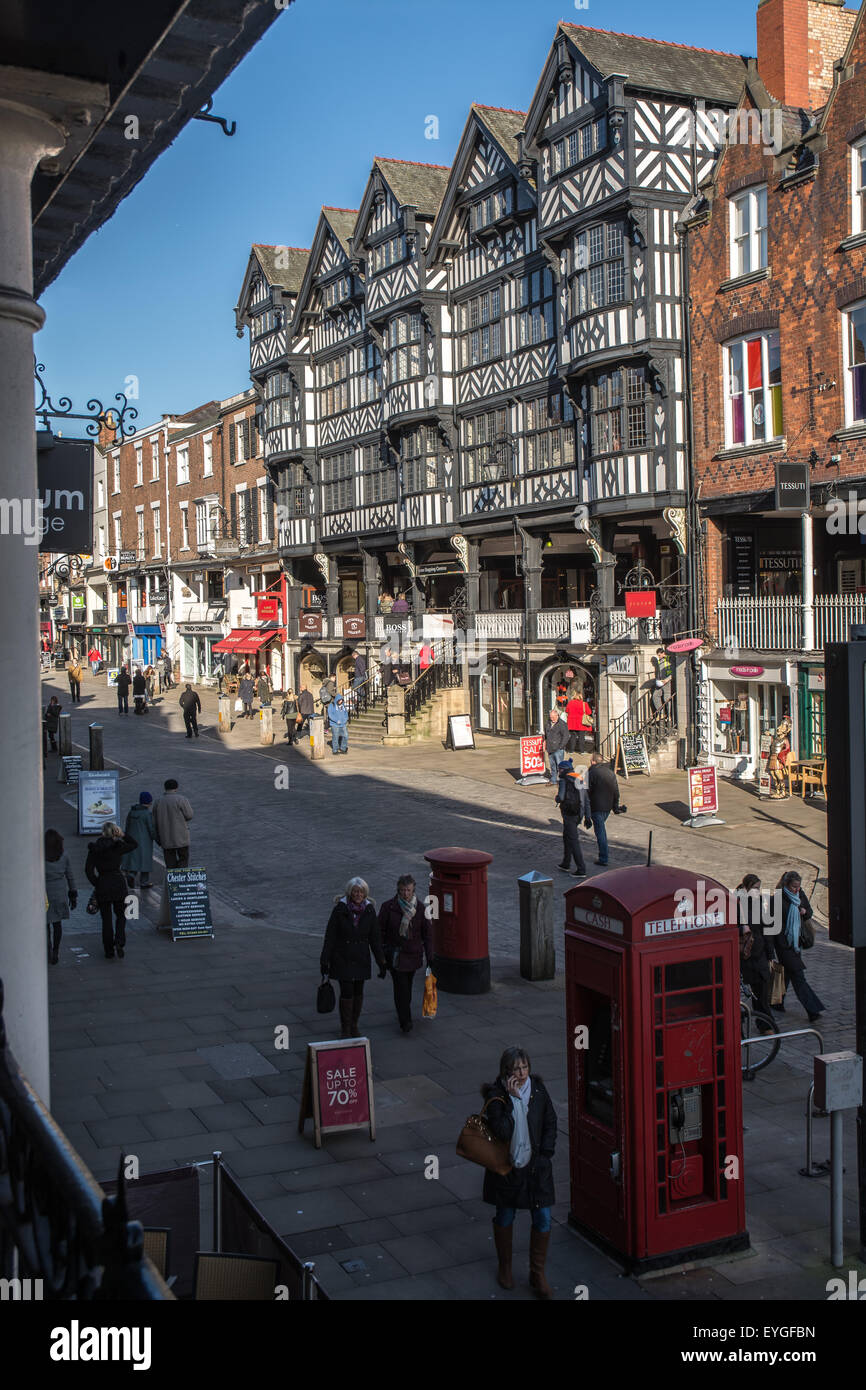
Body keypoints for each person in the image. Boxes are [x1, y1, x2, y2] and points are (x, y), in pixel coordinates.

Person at [482, 1047, 557, 1298]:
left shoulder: (537, 1090)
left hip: (536, 1168)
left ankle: (538, 1274)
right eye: (517, 1068)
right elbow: (502, 1131)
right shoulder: (497, 1097)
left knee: (543, 1218)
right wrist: (514, 1101)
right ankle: (505, 1268)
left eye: (525, 1067)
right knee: (505, 1216)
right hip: (508, 1169)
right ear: (507, 1072)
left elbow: (550, 1121)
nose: (523, 1073)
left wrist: (546, 1153)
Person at [320, 877, 386, 1038]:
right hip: (342, 957)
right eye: (355, 891)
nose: (358, 894)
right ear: (349, 893)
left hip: (361, 958)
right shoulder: (340, 910)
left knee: (358, 991)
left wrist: (381, 962)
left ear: (365, 894)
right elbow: (330, 936)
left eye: (361, 892)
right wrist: (324, 960)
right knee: (347, 991)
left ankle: (354, 1024)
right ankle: (345, 1028)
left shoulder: (370, 911)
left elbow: (375, 939)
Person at [377, 874, 434, 1033]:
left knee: (407, 987)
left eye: (408, 890)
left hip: (413, 955)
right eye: (402, 890)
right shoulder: (388, 907)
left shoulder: (421, 908)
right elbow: (379, 930)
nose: (405, 894)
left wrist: (430, 957)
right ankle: (405, 1020)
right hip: (396, 955)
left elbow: (428, 935)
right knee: (401, 987)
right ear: (398, 890)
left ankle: (404, 1009)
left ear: (413, 890)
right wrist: (381, 952)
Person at [770, 870, 826, 1023]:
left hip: (796, 943)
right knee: (798, 976)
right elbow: (771, 926)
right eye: (794, 887)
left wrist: (804, 911)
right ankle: (813, 1010)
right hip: (784, 945)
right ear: (786, 885)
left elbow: (809, 913)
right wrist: (771, 950)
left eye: (799, 887)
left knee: (788, 973)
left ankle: (776, 1002)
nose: (797, 889)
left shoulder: (799, 896)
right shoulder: (777, 900)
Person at [85, 821, 137, 959]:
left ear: (102, 832)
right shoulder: (117, 846)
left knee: (106, 919)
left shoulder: (94, 849)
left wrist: (97, 882)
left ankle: (109, 950)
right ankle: (119, 940)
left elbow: (88, 870)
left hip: (103, 883)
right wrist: (123, 835)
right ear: (114, 832)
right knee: (121, 914)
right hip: (118, 883)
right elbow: (134, 844)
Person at [736, 873, 773, 1025]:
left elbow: (766, 929)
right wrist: (741, 928)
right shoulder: (736, 903)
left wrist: (770, 954)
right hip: (744, 956)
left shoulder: (759, 902)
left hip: (760, 954)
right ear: (745, 888)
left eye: (759, 888)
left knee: (762, 992)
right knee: (741, 994)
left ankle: (765, 1024)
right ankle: (739, 1024)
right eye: (755, 888)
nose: (757, 891)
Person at [45, 828, 77, 964]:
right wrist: (73, 893)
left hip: (44, 892)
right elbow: (70, 876)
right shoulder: (64, 856)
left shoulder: (40, 857)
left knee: (45, 924)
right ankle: (56, 950)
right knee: (57, 924)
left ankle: (48, 949)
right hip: (59, 892)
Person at [555, 762, 590, 877]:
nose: (558, 771)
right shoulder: (579, 778)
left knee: (573, 840)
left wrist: (557, 799)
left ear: (563, 770)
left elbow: (560, 797)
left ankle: (581, 868)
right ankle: (566, 863)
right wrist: (587, 817)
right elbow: (586, 799)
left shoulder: (564, 780)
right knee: (567, 837)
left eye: (559, 769)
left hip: (569, 813)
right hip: (579, 812)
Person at [587, 753, 621, 867]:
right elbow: (616, 792)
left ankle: (603, 858)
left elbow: (587, 792)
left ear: (593, 762)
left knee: (600, 832)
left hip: (596, 807)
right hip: (607, 807)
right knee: (600, 830)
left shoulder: (591, 773)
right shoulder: (610, 773)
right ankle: (603, 856)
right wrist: (615, 807)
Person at [152, 779, 193, 868]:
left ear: (165, 788)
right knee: (183, 858)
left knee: (170, 861)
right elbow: (189, 815)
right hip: (181, 837)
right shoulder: (181, 799)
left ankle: (172, 879)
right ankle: (181, 878)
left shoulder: (158, 801)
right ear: (176, 788)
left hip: (165, 837)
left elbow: (154, 821)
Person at [122, 792, 155, 890]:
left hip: (132, 840)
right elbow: (151, 829)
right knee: (145, 861)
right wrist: (157, 838)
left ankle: (131, 875)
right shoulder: (147, 814)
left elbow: (127, 826)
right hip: (145, 841)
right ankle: (144, 882)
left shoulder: (132, 812)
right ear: (149, 802)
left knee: (134, 860)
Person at [768, 716, 792, 799]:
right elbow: (772, 745)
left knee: (778, 774)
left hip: (778, 758)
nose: (779, 728)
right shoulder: (776, 739)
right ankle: (777, 790)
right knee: (773, 774)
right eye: (780, 726)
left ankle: (783, 791)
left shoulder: (784, 740)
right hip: (773, 757)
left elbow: (787, 748)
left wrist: (782, 755)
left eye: (782, 726)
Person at [545, 708, 569, 781]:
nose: (552, 719)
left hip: (558, 748)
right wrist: (545, 743)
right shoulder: (548, 723)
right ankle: (553, 779)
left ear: (557, 715)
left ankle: (562, 780)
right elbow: (546, 734)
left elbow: (566, 736)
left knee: (560, 765)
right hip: (550, 748)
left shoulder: (562, 724)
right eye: (551, 717)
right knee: (552, 765)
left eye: (553, 717)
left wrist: (561, 746)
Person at [566, 689, 594, 754]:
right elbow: (589, 712)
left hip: (572, 723)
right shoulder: (584, 704)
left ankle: (571, 750)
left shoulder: (570, 703)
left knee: (572, 737)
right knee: (581, 737)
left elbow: (567, 711)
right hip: (581, 723)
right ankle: (582, 751)